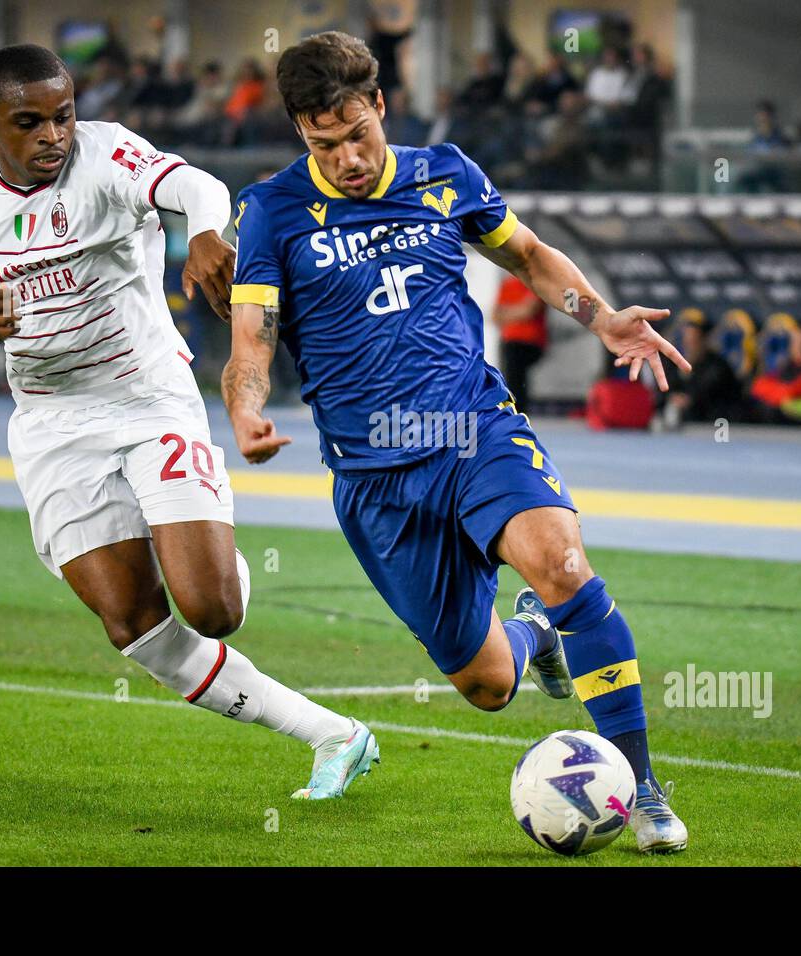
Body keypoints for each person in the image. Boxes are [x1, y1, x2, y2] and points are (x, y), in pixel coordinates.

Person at [224, 31, 691, 854]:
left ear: (379, 106)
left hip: (472, 428)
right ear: (302, 131)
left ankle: (644, 788)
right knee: (485, 685)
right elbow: (251, 341)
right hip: (375, 484)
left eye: (357, 136)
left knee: (563, 565)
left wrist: (601, 315)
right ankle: (534, 637)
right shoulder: (270, 211)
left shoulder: (445, 171)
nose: (348, 160)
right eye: (324, 144)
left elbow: (530, 257)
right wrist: (246, 412)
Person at [0, 44, 375, 801]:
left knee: (214, 611)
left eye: (63, 114)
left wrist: (209, 234)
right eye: (30, 122)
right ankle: (335, 735)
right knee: (134, 625)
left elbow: (198, 185)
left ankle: (199, 531)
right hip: (53, 426)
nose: (55, 135)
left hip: (149, 398)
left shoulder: (107, 152)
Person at [658, 313, 740, 428]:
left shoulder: (718, 366)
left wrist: (689, 399)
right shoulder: (675, 363)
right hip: (686, 425)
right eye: (685, 341)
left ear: (704, 341)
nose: (688, 346)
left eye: (693, 341)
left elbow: (708, 392)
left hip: (717, 425)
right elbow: (665, 389)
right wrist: (672, 397)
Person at [492, 274, 547, 409]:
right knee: (510, 376)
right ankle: (512, 407)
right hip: (510, 340)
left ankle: (517, 408)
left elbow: (530, 310)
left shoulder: (535, 284)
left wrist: (508, 313)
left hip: (530, 340)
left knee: (516, 375)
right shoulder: (508, 284)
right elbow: (495, 316)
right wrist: (519, 311)